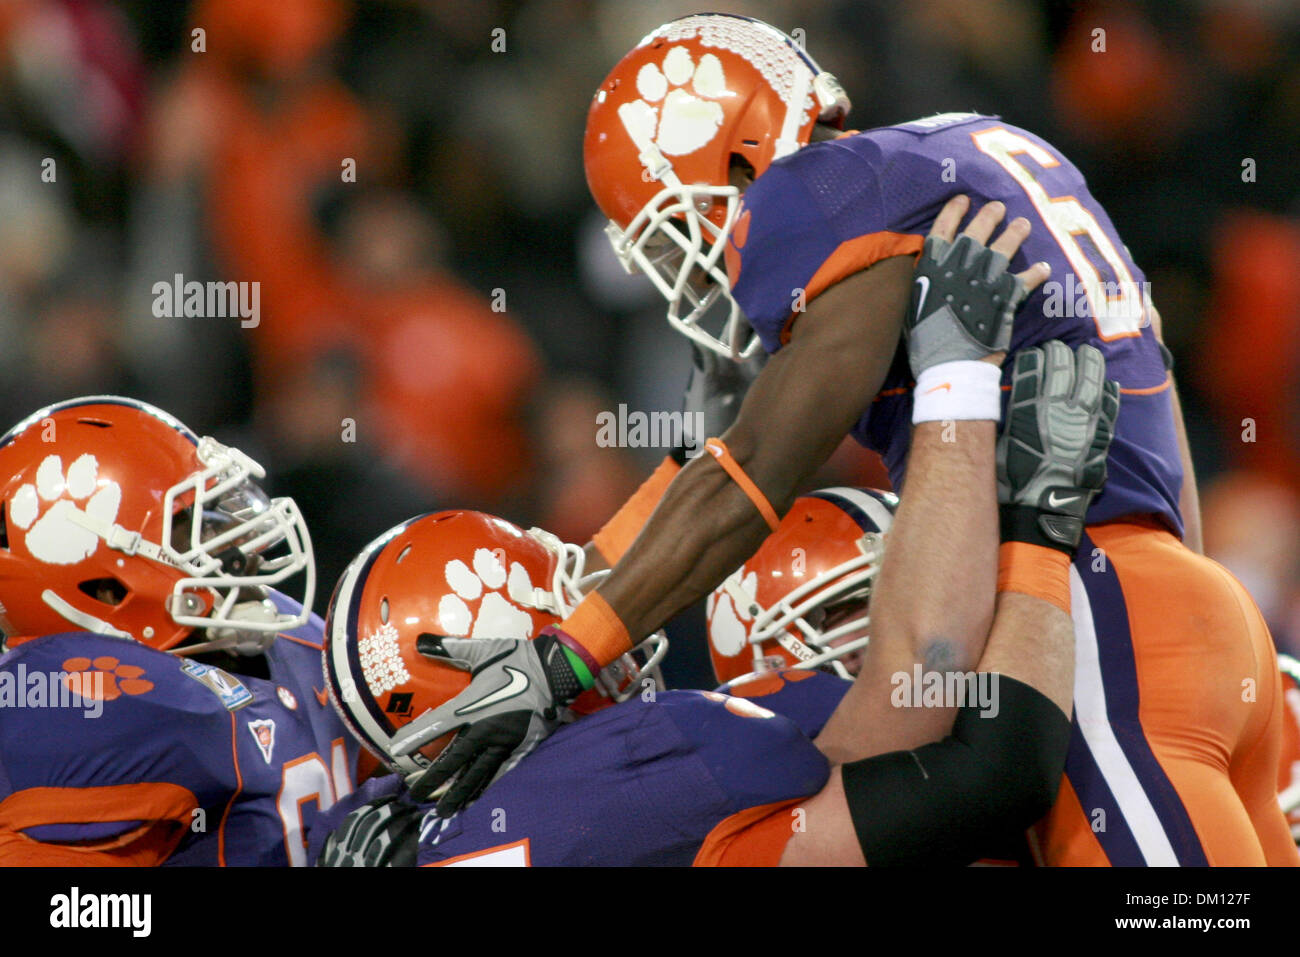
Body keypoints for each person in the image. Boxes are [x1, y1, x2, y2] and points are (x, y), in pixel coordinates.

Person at [422, 13, 1297, 866]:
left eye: (682, 226)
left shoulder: (816, 193)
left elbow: (751, 473)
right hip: (1192, 604)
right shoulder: (975, 148)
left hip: (1091, 620)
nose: (697, 263)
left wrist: (568, 657)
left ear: (737, 155)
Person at [315, 208, 1110, 866]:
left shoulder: (386, 828)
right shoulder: (653, 760)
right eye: (557, 594)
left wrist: (702, 450)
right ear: (490, 680)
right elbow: (976, 757)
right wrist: (1015, 488)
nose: (588, 598)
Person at [0, 396, 359, 865]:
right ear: (105, 588)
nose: (240, 548)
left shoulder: (297, 641)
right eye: (194, 528)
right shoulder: (68, 705)